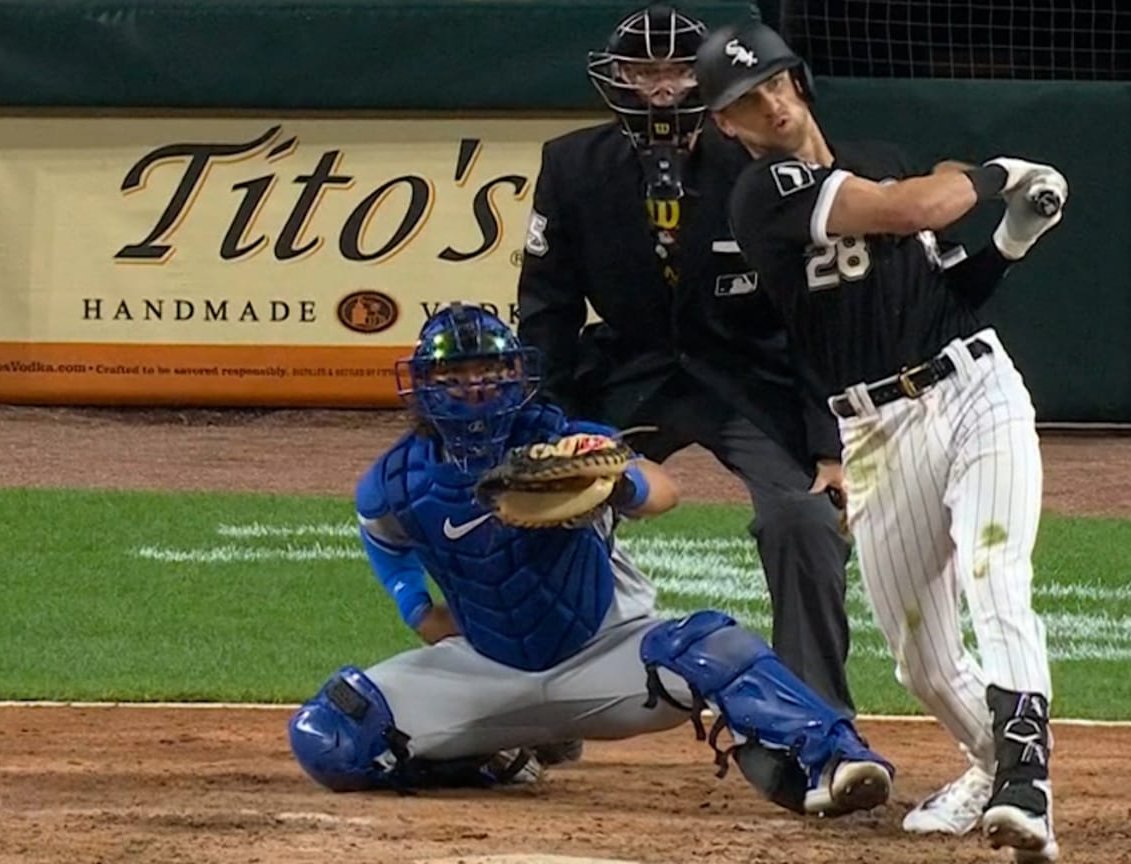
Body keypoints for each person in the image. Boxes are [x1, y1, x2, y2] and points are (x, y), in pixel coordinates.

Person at [693, 20, 1067, 863]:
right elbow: (916, 207)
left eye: (776, 82)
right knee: (921, 662)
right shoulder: (764, 192)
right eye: (747, 99)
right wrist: (1000, 175)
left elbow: (952, 294)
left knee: (995, 573)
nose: (771, 103)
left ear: (797, 80)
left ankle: (1025, 786)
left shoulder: (877, 154)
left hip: (975, 389)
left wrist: (1014, 239)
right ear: (725, 123)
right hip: (873, 429)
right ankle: (990, 764)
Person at [286, 302, 894, 820]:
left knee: (713, 643)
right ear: (424, 384)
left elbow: (663, 491)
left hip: (610, 661)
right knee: (330, 732)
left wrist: (617, 484)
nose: (475, 386)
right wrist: (415, 606)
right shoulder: (396, 480)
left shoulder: (565, 438)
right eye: (456, 374)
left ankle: (836, 757)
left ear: (515, 375)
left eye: (490, 371)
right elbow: (384, 541)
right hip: (486, 674)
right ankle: (486, 761)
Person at [518, 2, 858, 721]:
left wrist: (831, 446)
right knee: (534, 504)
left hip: (746, 374)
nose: (662, 88)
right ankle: (536, 709)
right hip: (628, 373)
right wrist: (543, 427)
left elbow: (814, 318)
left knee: (805, 517)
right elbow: (547, 310)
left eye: (676, 70)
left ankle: (813, 718)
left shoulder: (764, 165)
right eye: (644, 72)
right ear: (618, 79)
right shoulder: (570, 165)